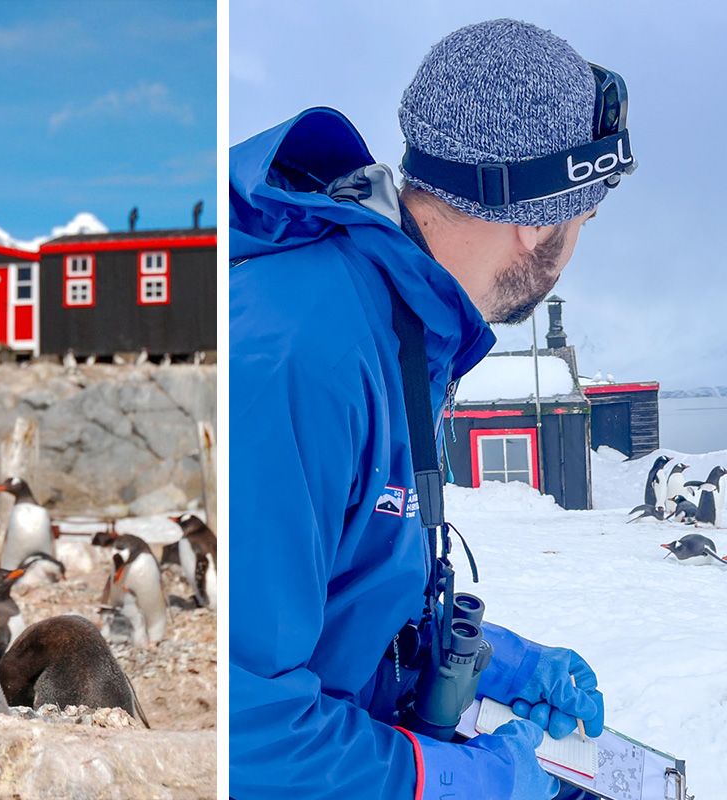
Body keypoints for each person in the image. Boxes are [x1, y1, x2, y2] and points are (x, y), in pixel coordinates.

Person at [230, 19, 636, 800]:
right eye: (586, 217)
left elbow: (334, 600)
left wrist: (490, 658)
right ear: (539, 219)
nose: (578, 240)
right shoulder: (306, 352)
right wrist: (444, 781)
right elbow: (247, 729)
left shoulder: (403, 326)